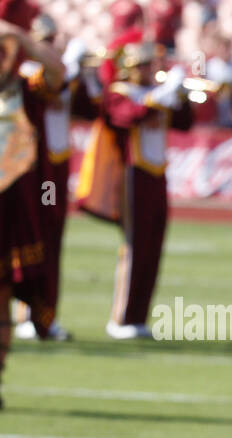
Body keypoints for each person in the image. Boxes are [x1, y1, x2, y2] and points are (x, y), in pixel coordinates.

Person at [75, 41, 193, 339]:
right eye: (142, 65)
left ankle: (139, 317)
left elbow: (184, 123)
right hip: (131, 174)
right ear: (129, 67)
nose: (149, 70)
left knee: (153, 246)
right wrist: (162, 95)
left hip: (157, 175)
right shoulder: (118, 93)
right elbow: (127, 116)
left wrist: (181, 97)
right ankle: (122, 317)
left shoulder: (155, 94)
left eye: (150, 65)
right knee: (134, 243)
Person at [0, 2, 63, 409]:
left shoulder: (26, 85)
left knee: (2, 294)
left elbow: (58, 72)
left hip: (12, 211)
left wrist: (21, 38)